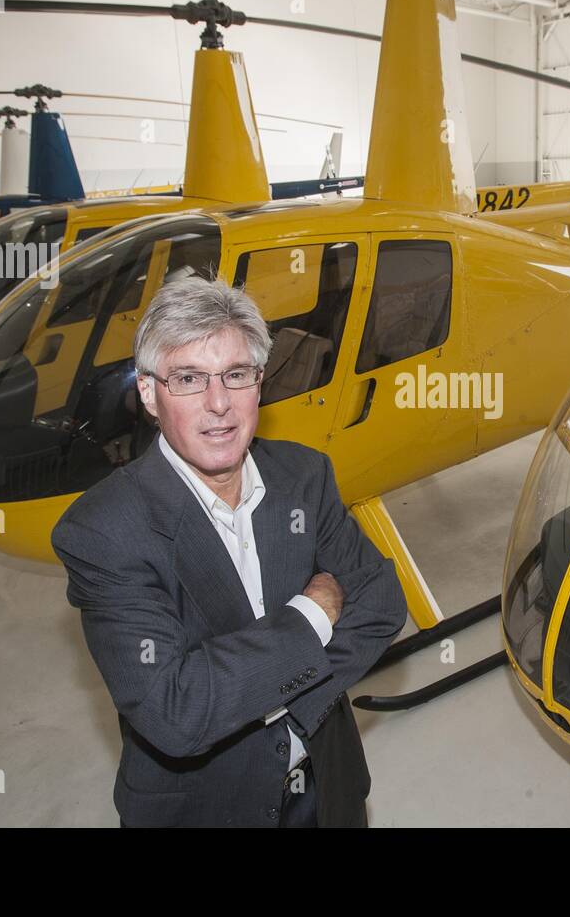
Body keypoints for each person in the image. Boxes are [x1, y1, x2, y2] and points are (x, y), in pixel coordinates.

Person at [52, 276, 406, 827]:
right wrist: (314, 614)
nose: (220, 404)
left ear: (259, 382)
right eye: (189, 378)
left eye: (236, 375)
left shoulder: (304, 475)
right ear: (148, 392)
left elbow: (381, 601)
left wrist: (258, 687)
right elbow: (176, 711)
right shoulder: (103, 532)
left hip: (328, 791)